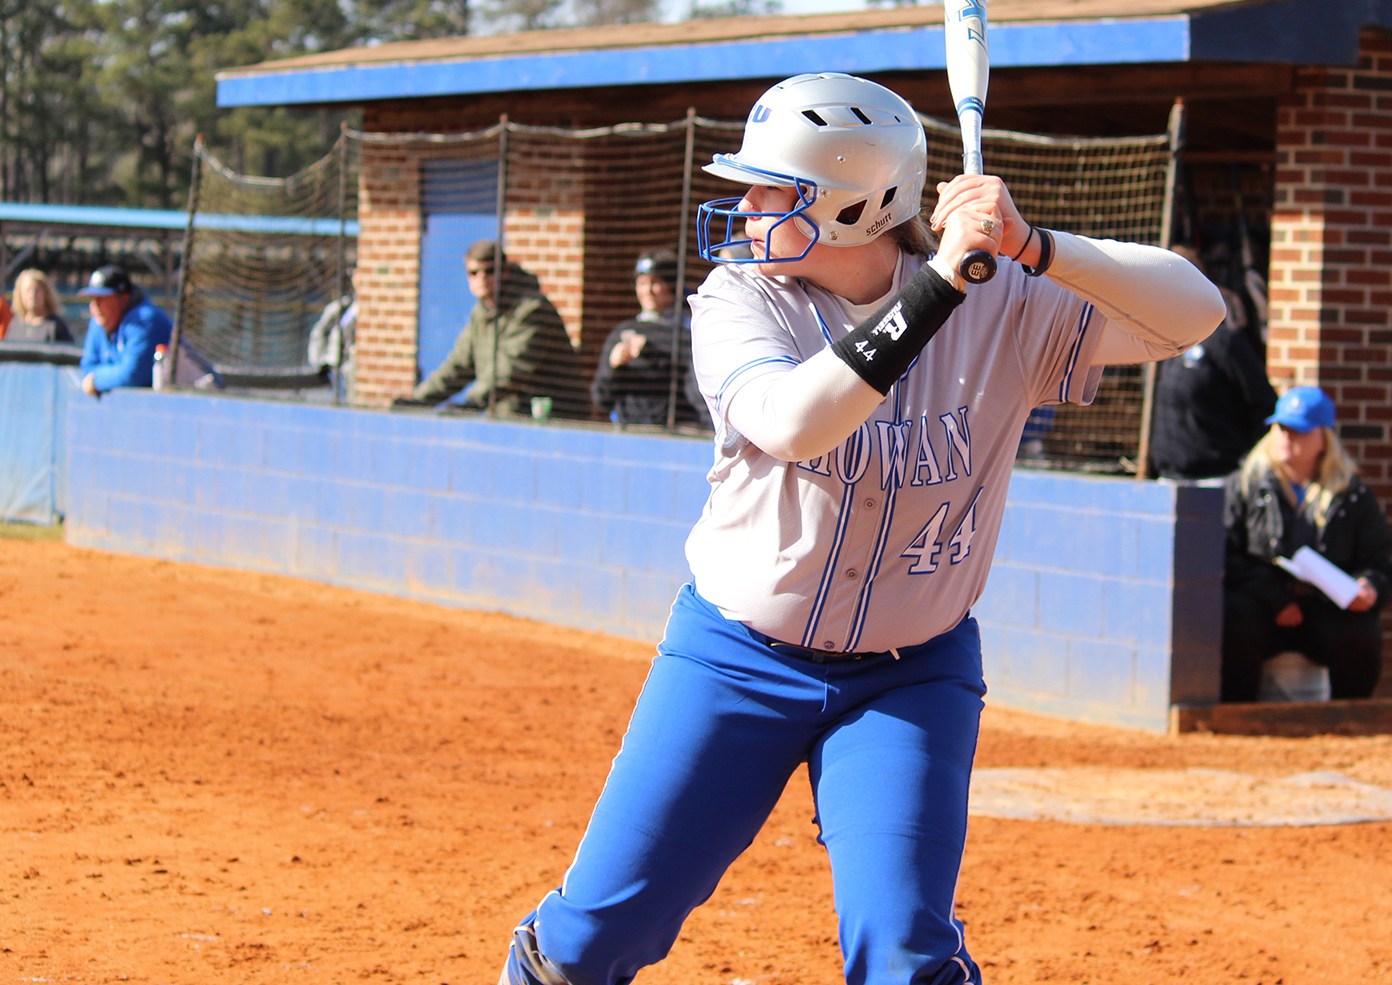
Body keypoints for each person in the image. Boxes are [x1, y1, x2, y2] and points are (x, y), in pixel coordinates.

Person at [494, 72, 1225, 985]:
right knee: (599, 934)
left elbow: (1196, 312)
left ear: (851, 206)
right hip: (737, 658)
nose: (745, 204)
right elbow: (797, 422)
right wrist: (939, 289)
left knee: (905, 954)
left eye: (772, 188)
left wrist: (1033, 245)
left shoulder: (1004, 300)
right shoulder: (740, 298)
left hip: (909, 676)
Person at [1220, 384, 1392, 701]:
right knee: (1236, 616)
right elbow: (1228, 554)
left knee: (1360, 631)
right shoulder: (1246, 484)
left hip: (1324, 605)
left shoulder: (1352, 495)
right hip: (1264, 601)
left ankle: (1352, 718)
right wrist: (1276, 599)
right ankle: (1238, 714)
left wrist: (1370, 586)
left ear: (1323, 440)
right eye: (1281, 428)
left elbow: (1378, 559)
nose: (1287, 437)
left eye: (1298, 431)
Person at [397, 239, 585, 420]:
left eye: (490, 271)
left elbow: (509, 369)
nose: (482, 278)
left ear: (506, 272)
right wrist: (418, 400)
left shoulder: (532, 310)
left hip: (553, 421)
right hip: (511, 419)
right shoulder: (481, 314)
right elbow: (457, 366)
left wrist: (471, 402)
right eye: (474, 272)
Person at [1151, 245, 1276, 479]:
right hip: (1167, 480)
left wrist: (1251, 468)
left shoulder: (1224, 342)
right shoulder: (1153, 341)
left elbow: (1266, 405)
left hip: (1217, 482)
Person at [589, 250, 707, 427]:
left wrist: (649, 354)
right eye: (642, 283)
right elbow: (601, 398)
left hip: (679, 433)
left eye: (655, 283)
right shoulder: (624, 332)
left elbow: (693, 384)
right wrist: (614, 367)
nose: (648, 291)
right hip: (630, 434)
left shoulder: (690, 332)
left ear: (672, 285)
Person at [78, 265, 173, 397]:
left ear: (123, 298)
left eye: (102, 298)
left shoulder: (145, 320)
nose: (95, 305)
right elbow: (87, 367)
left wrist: (96, 380)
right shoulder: (99, 320)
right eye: (93, 299)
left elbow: (133, 375)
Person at [5, 268, 75, 344]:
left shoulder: (55, 326)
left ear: (46, 294)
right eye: (28, 290)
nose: (32, 295)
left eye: (36, 290)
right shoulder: (16, 324)